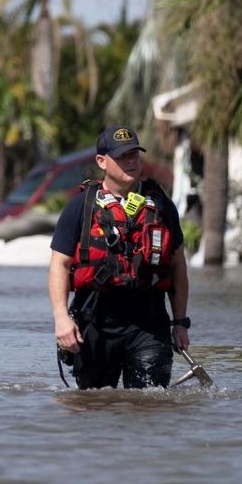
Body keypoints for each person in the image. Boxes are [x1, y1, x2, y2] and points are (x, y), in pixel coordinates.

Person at [47, 125, 191, 389]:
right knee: (96, 406)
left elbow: (178, 265)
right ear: (102, 161)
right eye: (122, 156)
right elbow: (59, 264)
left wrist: (180, 322)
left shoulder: (161, 205)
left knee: (150, 403)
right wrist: (61, 319)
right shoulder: (80, 206)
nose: (131, 161)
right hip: (97, 325)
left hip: (149, 325)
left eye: (134, 154)